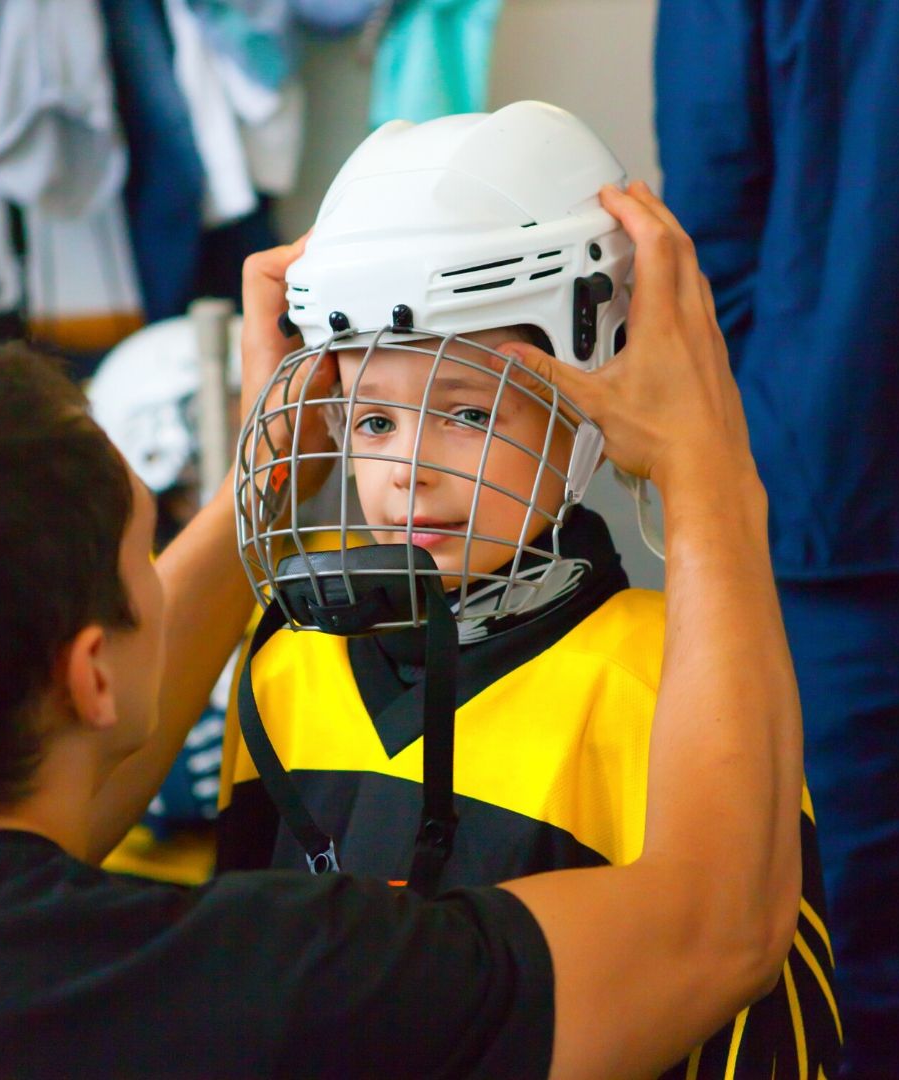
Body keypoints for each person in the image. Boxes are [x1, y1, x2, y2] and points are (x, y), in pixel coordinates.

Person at [0, 182, 803, 1078]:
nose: (409, 467)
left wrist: (263, 472)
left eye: (468, 415)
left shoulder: (644, 679)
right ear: (91, 678)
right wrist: (712, 476)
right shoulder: (237, 970)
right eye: (145, 559)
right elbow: (717, 932)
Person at [218, 103, 840, 1077]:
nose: (407, 469)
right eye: (373, 421)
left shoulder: (674, 688)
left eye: (464, 411)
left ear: (592, 391)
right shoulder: (284, 654)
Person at [654, 4, 899, 1076]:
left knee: (868, 949)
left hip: (849, 483)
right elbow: (712, 224)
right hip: (853, 495)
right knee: (861, 950)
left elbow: (711, 201)